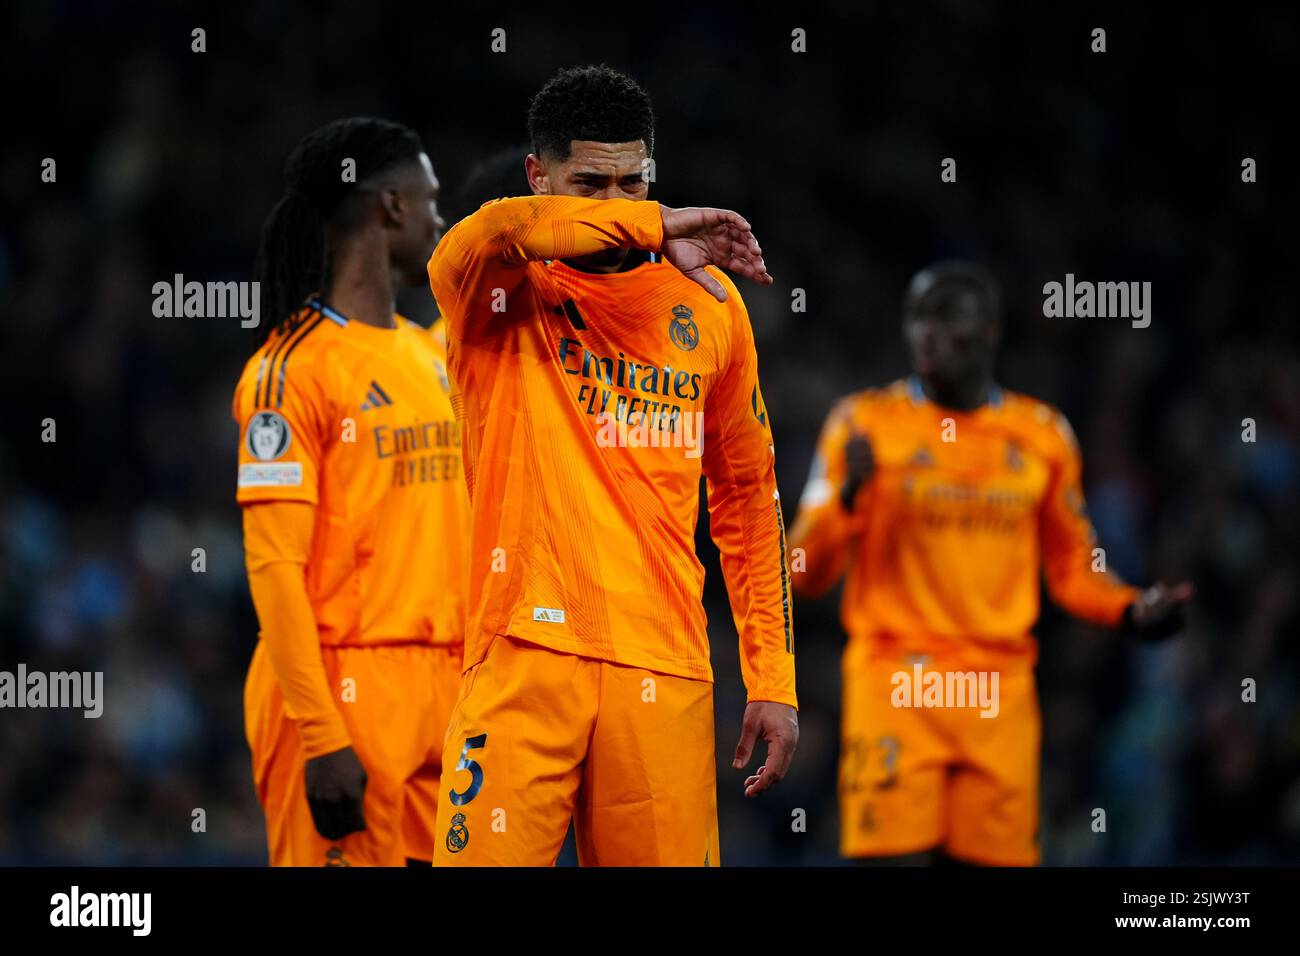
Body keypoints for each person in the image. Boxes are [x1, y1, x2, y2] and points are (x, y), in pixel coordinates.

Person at [425, 64, 797, 866]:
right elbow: (487, 232)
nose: (617, 207)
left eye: (635, 185)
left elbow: (746, 498)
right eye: (589, 185)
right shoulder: (495, 285)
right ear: (539, 176)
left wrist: (772, 675)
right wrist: (652, 224)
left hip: (663, 667)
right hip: (525, 654)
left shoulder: (711, 308)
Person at [789, 260, 1192, 866]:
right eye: (918, 316)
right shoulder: (864, 423)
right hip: (897, 682)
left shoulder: (1040, 435)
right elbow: (799, 572)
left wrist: (1130, 609)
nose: (927, 331)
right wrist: (847, 502)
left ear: (990, 333)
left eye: (947, 317)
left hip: (996, 693)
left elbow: (1073, 567)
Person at [234, 117, 469, 866]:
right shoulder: (290, 371)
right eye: (432, 201)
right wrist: (321, 733)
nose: (441, 220)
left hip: (445, 688)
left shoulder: (430, 356)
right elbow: (273, 567)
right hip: (343, 689)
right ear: (392, 206)